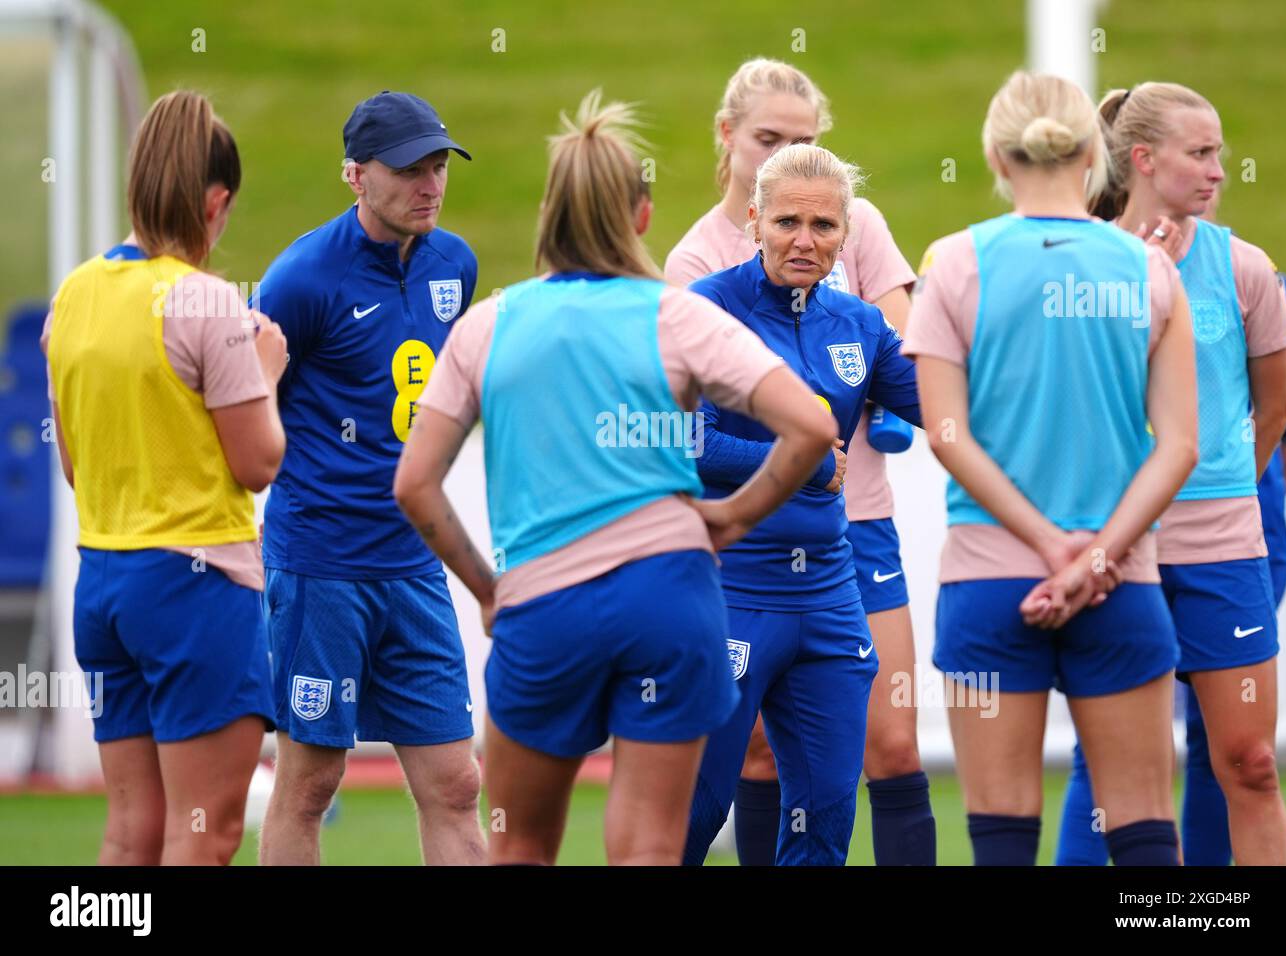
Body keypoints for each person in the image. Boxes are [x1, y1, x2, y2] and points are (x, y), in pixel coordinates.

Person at [393, 91, 836, 865]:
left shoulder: (490, 324)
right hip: (670, 602)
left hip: (542, 605)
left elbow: (414, 486)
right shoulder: (679, 315)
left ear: (547, 214)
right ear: (640, 216)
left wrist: (488, 589)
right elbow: (812, 429)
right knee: (649, 852)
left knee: (521, 846)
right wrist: (730, 518)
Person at [907, 71, 1201, 866]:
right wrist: (1092, 557)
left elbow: (944, 433)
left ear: (997, 159)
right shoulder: (1149, 271)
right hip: (1121, 583)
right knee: (1146, 841)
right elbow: (1179, 447)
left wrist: (1048, 548)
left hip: (988, 587)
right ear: (1093, 161)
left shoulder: (957, 263)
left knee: (1001, 844)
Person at [665, 57, 934, 867]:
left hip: (829, 592)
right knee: (687, 815)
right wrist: (802, 457)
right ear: (752, 220)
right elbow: (670, 441)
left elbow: (948, 411)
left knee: (823, 821)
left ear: (847, 235)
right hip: (730, 589)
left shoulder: (858, 323)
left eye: (823, 227)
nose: (805, 241)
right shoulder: (703, 307)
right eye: (787, 223)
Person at [1051, 82, 1286, 866]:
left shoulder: (1247, 269)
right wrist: (1134, 285)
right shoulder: (1074, 265)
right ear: (1146, 160)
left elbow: (1271, 408)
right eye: (1202, 153)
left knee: (1250, 765)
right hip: (1116, 548)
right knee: (1117, 766)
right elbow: (1060, 405)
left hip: (1225, 545)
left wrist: (1220, 498)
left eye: (1219, 152)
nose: (1220, 169)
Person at [42, 90, 285, 865]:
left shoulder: (73, 297)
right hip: (196, 586)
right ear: (216, 202)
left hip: (104, 582)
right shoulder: (208, 302)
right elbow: (257, 463)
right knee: (202, 837)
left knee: (131, 834)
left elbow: (77, 468)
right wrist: (267, 373)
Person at [255, 91, 485, 866]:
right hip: (322, 568)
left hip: (414, 564)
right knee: (311, 783)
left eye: (438, 167)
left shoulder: (456, 262)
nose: (430, 185)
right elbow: (254, 413)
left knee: (456, 782)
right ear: (355, 174)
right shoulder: (299, 280)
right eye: (409, 170)